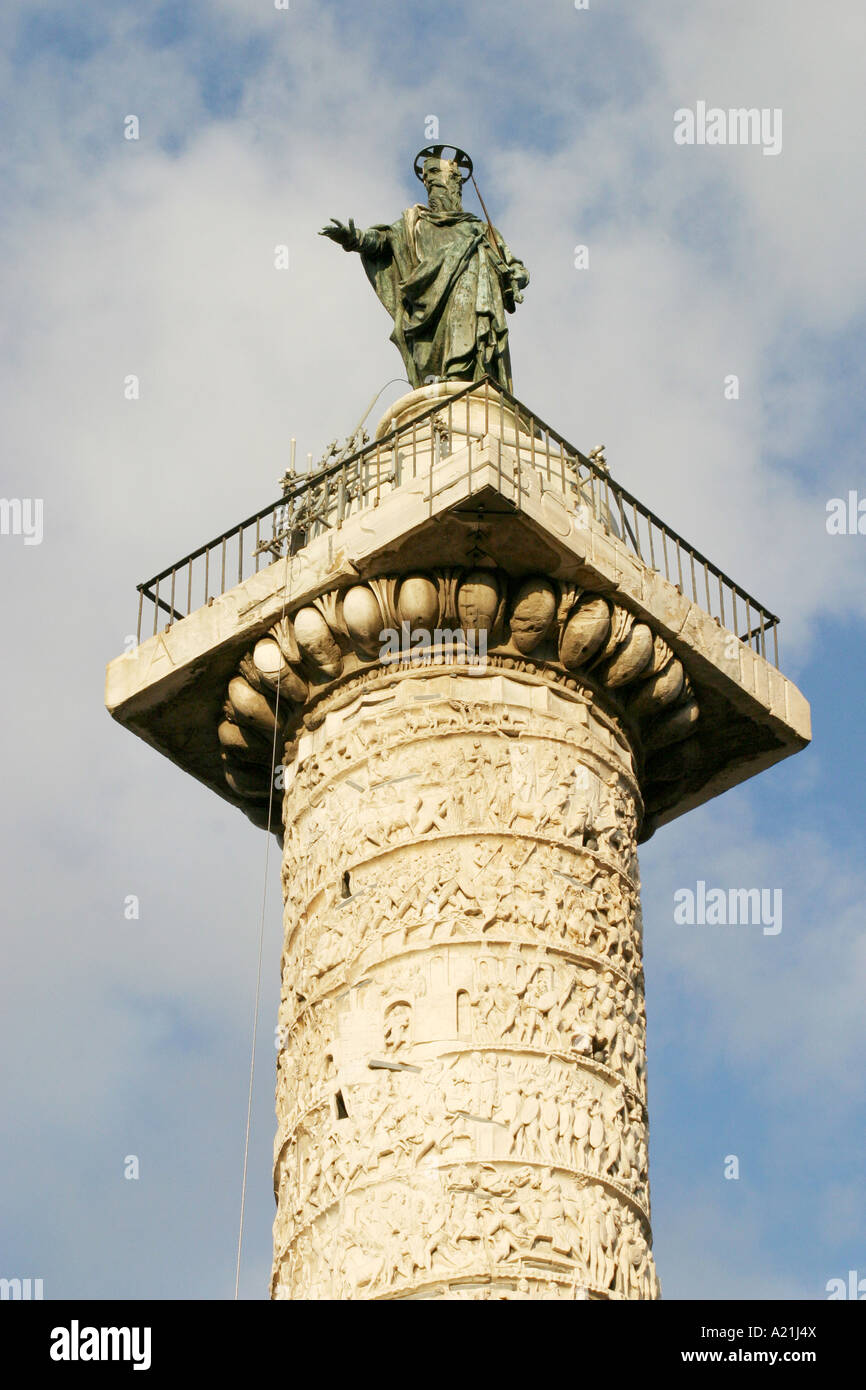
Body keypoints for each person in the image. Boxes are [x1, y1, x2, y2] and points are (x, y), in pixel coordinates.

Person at [320, 144, 529, 390]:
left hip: (474, 298)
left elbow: (517, 269)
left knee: (475, 269)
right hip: (429, 307)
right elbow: (382, 241)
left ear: (456, 189)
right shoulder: (414, 224)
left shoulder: (481, 230)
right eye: (434, 188)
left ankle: (464, 373)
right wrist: (354, 238)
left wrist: (515, 276)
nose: (438, 194)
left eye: (445, 187)